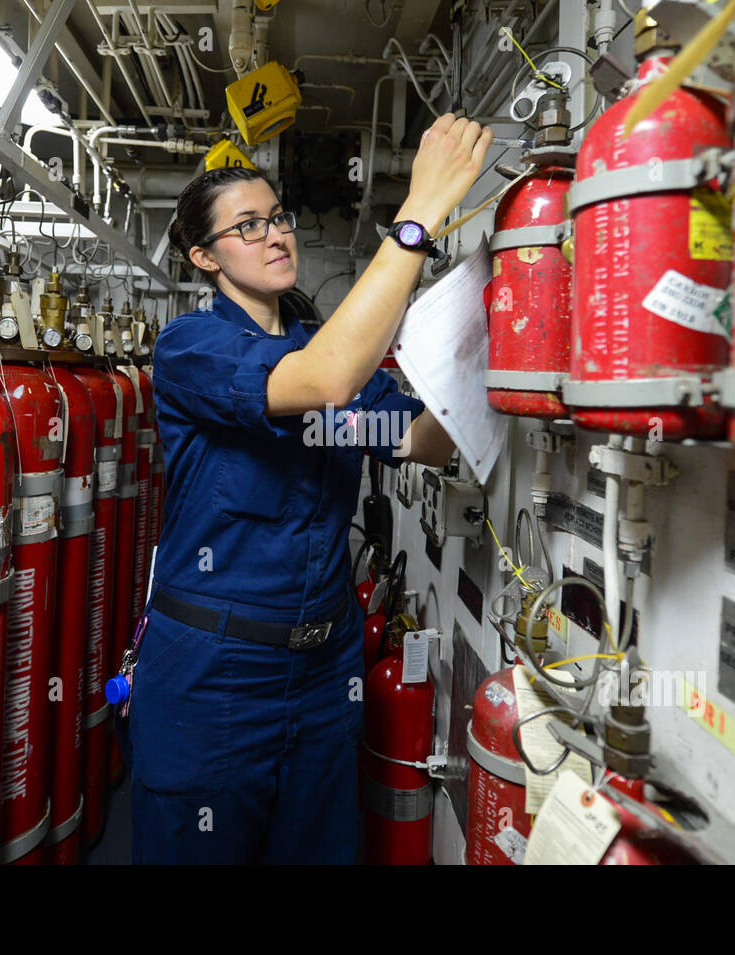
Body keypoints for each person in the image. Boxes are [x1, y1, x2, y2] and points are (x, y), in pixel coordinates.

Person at [127, 112, 492, 864]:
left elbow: (420, 437)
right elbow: (322, 379)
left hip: (326, 676)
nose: (275, 234)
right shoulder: (192, 348)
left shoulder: (325, 354)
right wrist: (418, 215)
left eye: (279, 217)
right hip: (216, 674)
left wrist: (494, 319)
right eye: (248, 225)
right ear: (203, 256)